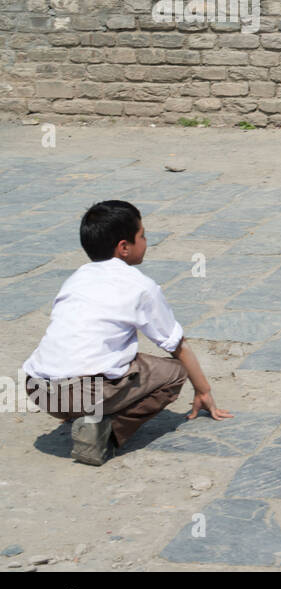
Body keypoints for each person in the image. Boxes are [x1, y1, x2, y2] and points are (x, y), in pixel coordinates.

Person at [22, 200, 231, 466]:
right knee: (174, 372)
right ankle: (105, 432)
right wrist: (203, 391)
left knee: (104, 359)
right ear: (124, 247)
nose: (146, 241)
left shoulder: (76, 278)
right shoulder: (141, 286)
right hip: (85, 393)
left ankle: (75, 413)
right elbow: (176, 344)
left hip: (38, 387)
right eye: (142, 235)